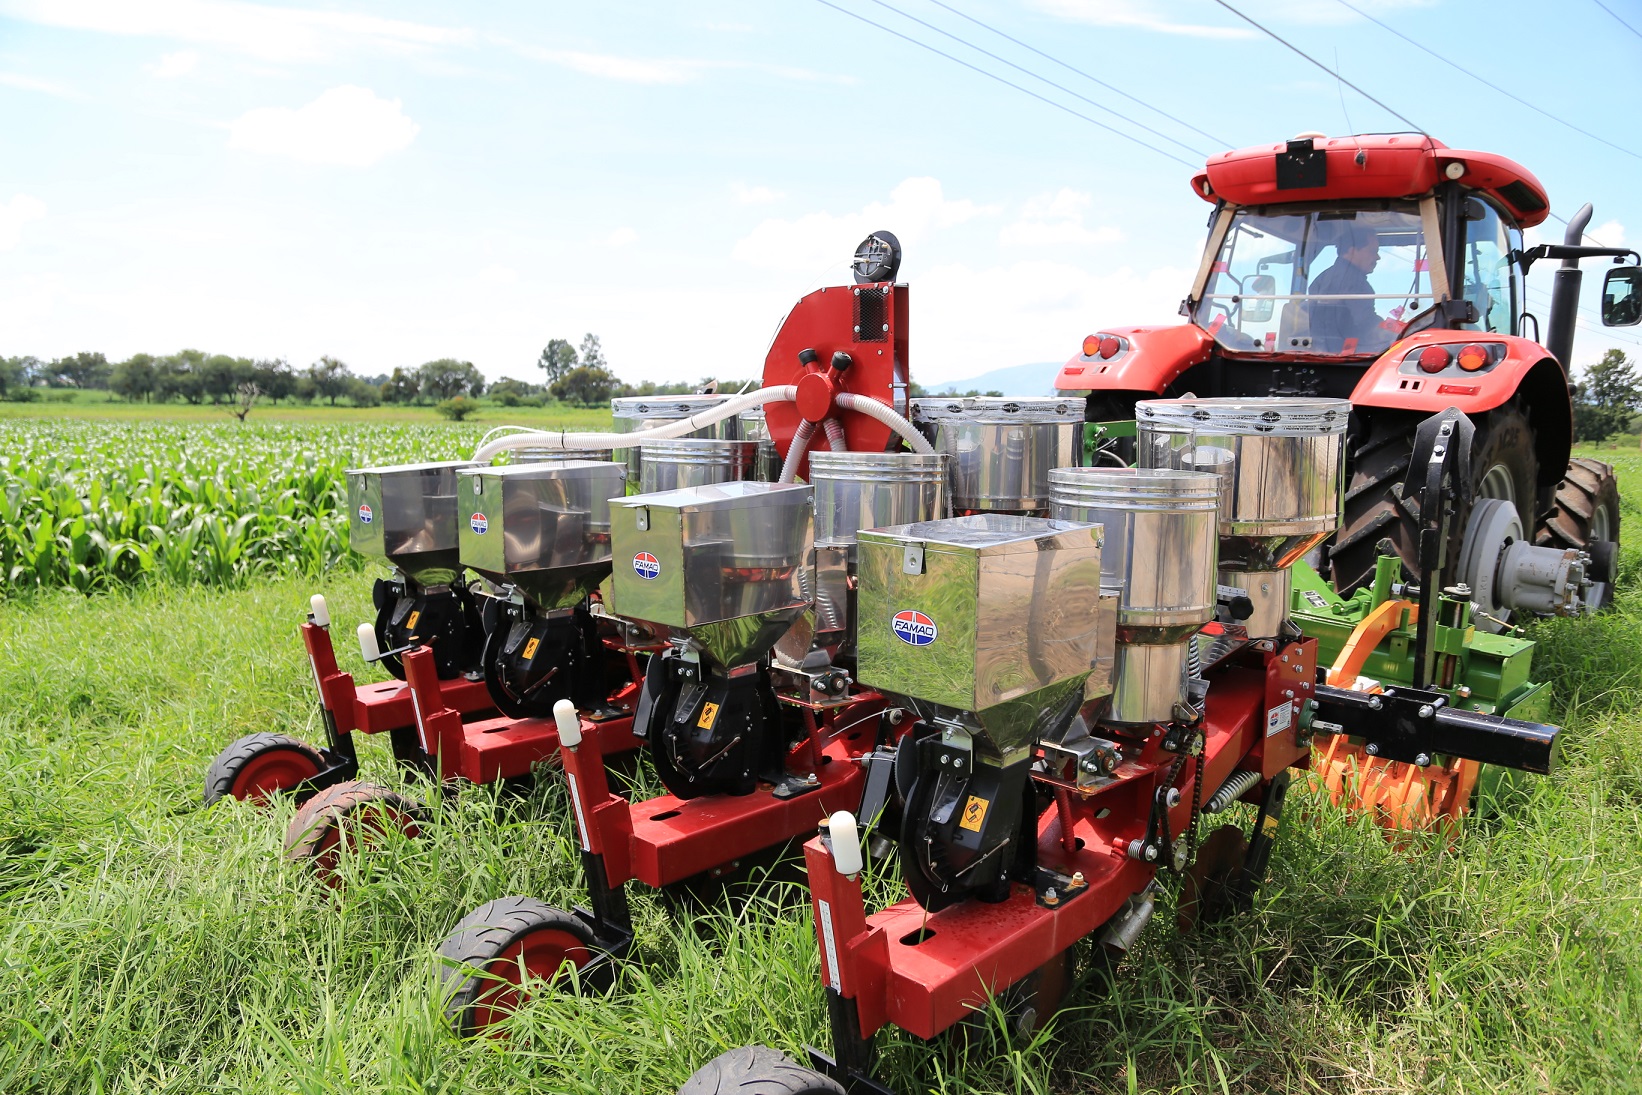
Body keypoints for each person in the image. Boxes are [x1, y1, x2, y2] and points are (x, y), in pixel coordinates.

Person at [1309, 224, 1394, 352]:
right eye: (1372, 251)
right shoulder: (1356, 283)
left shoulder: (1319, 280)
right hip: (1350, 357)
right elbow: (1367, 323)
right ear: (1351, 251)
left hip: (1320, 352)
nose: (1377, 257)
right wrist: (1395, 330)